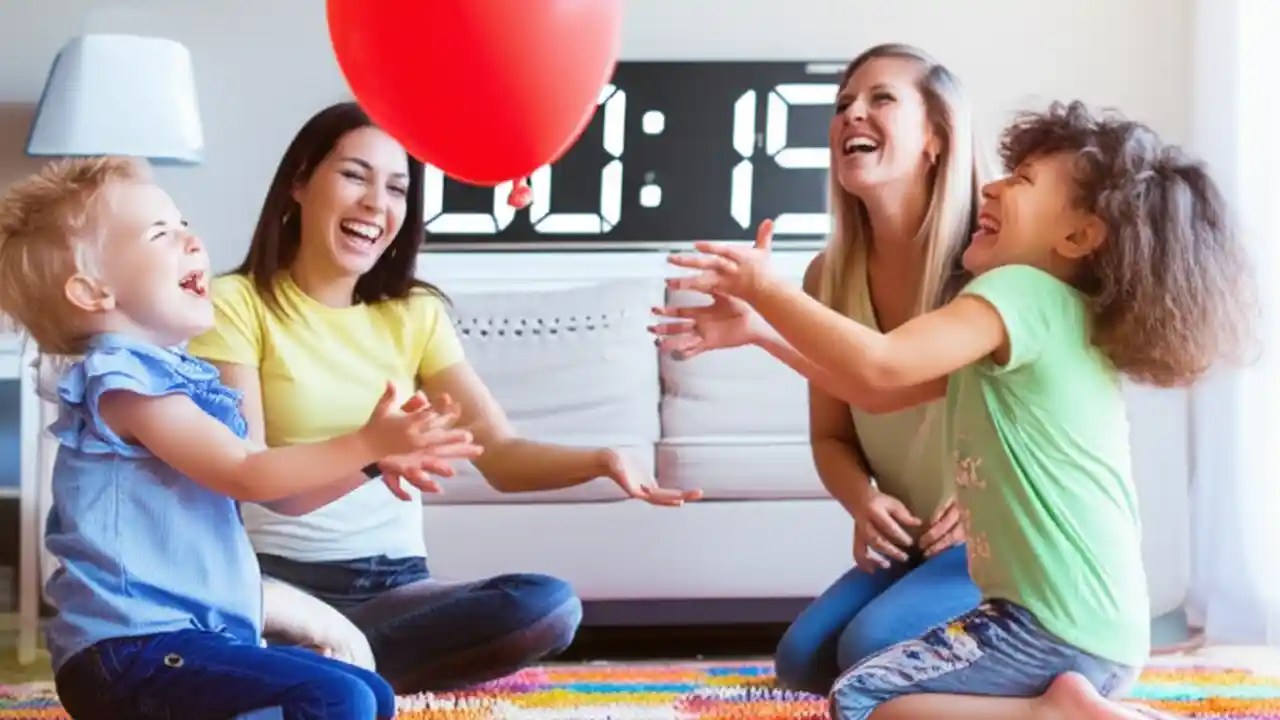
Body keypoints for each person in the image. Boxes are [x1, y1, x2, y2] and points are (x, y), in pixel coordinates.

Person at [661, 100, 1253, 719]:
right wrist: (760, 331)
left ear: (1079, 236)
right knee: (859, 677)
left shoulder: (1017, 292)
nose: (992, 187)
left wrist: (765, 288)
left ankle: (1055, 713)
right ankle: (1080, 707)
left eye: (1021, 180)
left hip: (1046, 626)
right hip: (1099, 632)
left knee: (860, 696)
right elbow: (875, 393)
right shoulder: (1059, 319)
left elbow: (882, 363)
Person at [186, 101, 703, 693]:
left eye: (397, 189)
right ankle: (321, 668)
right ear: (299, 183)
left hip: (396, 590)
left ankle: (323, 672)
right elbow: (254, 480)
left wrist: (602, 459)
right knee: (247, 631)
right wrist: (371, 455)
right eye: (354, 175)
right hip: (282, 590)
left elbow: (501, 457)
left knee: (548, 605)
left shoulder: (415, 313)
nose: (376, 204)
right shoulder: (236, 304)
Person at [0, 156, 480, 719]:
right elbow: (247, 475)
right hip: (129, 654)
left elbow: (282, 494)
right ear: (93, 291)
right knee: (338, 697)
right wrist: (366, 442)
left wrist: (373, 462)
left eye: (183, 224)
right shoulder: (124, 384)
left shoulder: (171, 383)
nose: (192, 239)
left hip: (191, 643)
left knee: (367, 691)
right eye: (160, 233)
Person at [653, 43, 989, 693]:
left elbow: (889, 378)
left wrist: (988, 501)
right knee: (804, 658)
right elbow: (832, 434)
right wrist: (864, 501)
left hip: (993, 541)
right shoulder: (829, 275)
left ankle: (1037, 666)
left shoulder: (986, 262)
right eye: (843, 104)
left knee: (868, 647)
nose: (851, 114)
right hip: (916, 545)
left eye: (881, 98)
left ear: (937, 137)